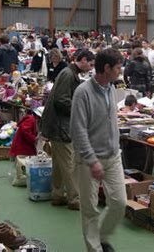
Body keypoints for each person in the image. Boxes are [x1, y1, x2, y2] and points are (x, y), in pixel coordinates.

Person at [71, 48, 126, 252]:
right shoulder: (82, 93)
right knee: (90, 208)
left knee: (120, 203)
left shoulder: (111, 88)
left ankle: (101, 237)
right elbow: (78, 130)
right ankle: (95, 249)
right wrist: (92, 160)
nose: (120, 71)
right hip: (88, 160)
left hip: (113, 156)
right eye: (118, 67)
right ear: (106, 68)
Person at [40, 50, 96, 210]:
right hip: (60, 125)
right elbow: (61, 100)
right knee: (70, 163)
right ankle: (75, 199)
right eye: (90, 64)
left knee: (59, 163)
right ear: (83, 59)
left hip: (57, 124)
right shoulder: (68, 74)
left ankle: (57, 195)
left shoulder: (69, 73)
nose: (91, 68)